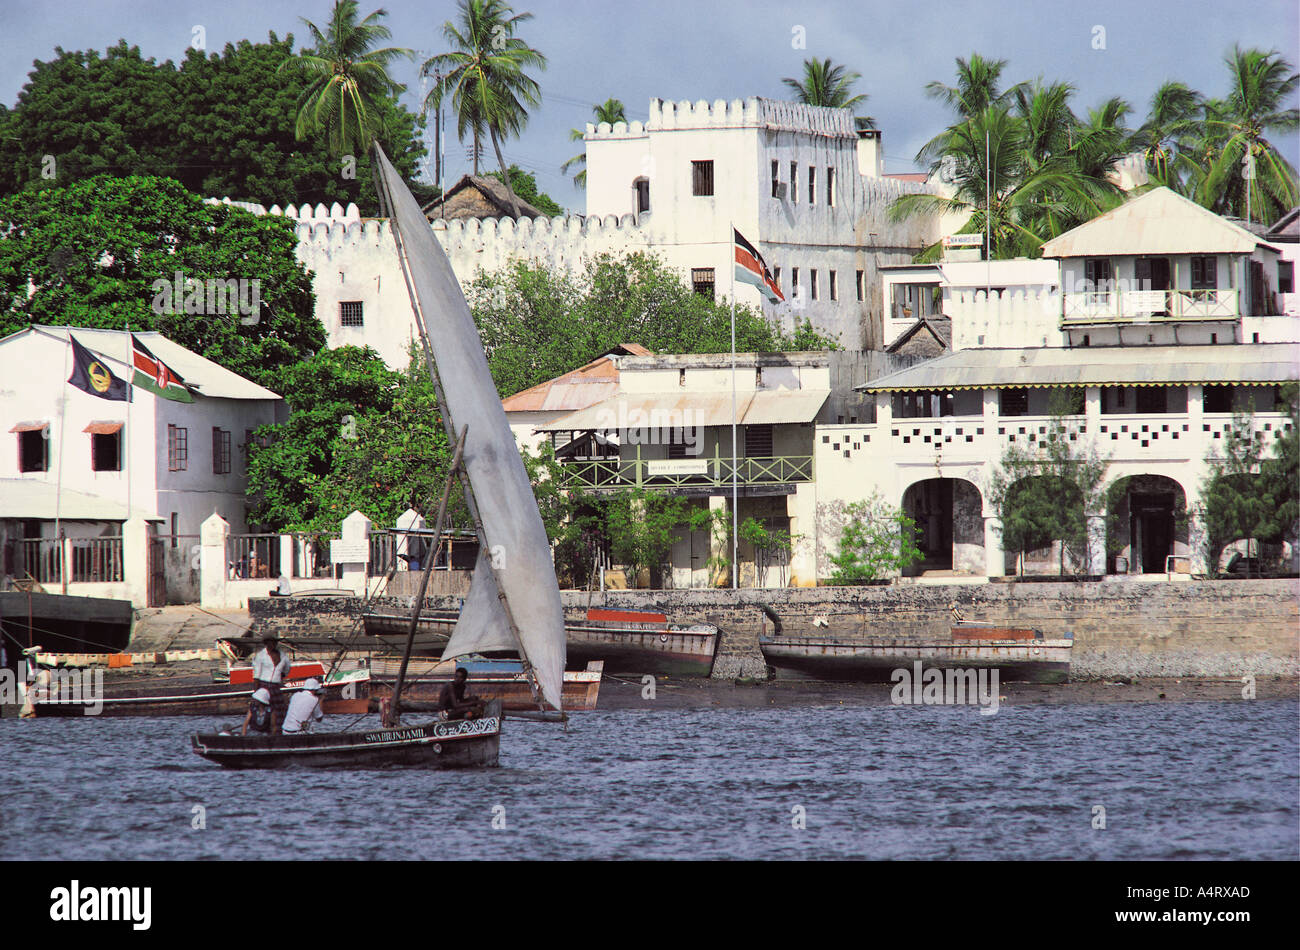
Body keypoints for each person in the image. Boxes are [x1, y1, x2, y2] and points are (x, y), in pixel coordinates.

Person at [251, 635, 292, 721]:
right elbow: (256, 675)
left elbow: (287, 668)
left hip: (275, 686)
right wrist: (256, 693)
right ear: (266, 643)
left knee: (280, 711)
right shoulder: (260, 655)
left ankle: (279, 730)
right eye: (270, 642)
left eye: (274, 642)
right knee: (263, 710)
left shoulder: (283, 655)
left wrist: (280, 676)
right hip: (263, 685)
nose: (272, 644)